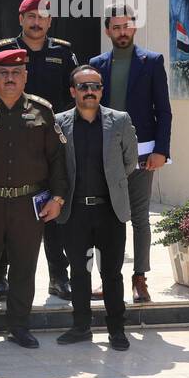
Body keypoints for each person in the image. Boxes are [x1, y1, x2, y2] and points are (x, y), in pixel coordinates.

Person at [0, 47, 67, 350]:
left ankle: (19, 325)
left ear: (25, 76)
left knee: (24, 266)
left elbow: (57, 159)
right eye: (3, 73)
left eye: (16, 73)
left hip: (27, 204)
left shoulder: (42, 111)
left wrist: (57, 198)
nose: (10, 78)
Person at [0, 0, 78, 300]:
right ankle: (1, 277)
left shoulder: (63, 52)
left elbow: (73, 94)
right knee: (6, 213)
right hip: (9, 142)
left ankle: (58, 276)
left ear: (50, 21)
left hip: (49, 143)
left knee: (53, 210)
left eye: (43, 17)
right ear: (21, 19)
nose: (37, 23)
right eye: (31, 17)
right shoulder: (2, 50)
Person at [88, 4, 172, 304]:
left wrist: (162, 150)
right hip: (105, 154)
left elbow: (163, 110)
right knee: (104, 218)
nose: (122, 31)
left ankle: (139, 279)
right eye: (116, 26)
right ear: (107, 30)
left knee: (139, 218)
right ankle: (106, 280)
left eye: (127, 26)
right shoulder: (96, 65)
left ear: (134, 28)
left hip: (143, 153)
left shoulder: (151, 62)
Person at [55, 66, 139, 351]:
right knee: (79, 271)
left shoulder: (119, 121)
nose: (89, 91)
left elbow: (129, 162)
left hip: (110, 210)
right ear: (72, 91)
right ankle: (80, 326)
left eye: (95, 86)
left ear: (102, 90)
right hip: (75, 211)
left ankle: (117, 329)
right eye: (83, 86)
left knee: (112, 273)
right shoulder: (59, 123)